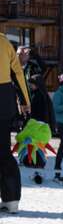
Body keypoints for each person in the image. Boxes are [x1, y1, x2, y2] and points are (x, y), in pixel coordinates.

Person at [0, 36, 30, 213]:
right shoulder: (4, 42)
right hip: (4, 102)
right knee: (3, 151)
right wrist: (25, 102)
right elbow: (18, 73)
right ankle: (11, 199)